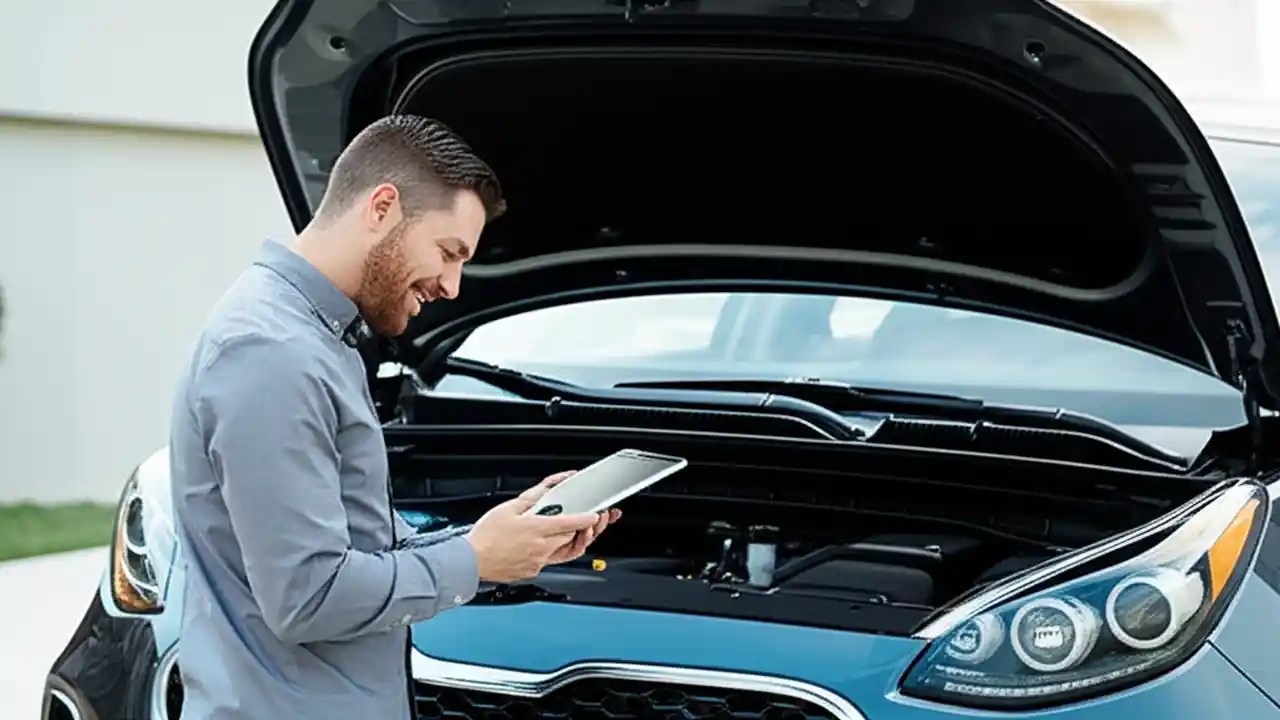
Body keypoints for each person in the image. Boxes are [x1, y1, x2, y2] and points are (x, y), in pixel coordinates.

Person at [168, 114, 619, 719]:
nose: (455, 286)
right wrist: (475, 560)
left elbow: (359, 546)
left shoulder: (318, 340)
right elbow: (308, 596)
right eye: (448, 252)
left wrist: (499, 536)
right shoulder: (271, 353)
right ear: (382, 207)